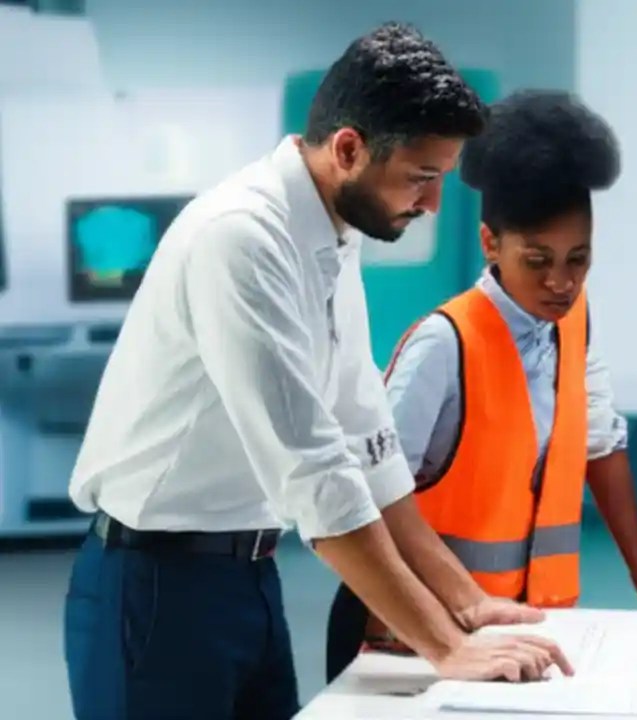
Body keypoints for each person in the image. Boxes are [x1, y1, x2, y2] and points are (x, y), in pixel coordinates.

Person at [64, 23, 570, 720]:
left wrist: (467, 601)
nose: (432, 204)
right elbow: (313, 467)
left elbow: (367, 441)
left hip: (248, 576)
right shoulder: (242, 239)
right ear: (349, 149)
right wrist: (445, 647)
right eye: (421, 178)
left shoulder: (333, 236)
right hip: (154, 588)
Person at [324, 88, 637, 680]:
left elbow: (600, 444)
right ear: (491, 244)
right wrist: (443, 630)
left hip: (525, 636)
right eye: (538, 261)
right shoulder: (444, 345)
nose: (561, 283)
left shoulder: (573, 324)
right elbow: (374, 495)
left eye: (578, 259)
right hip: (411, 644)